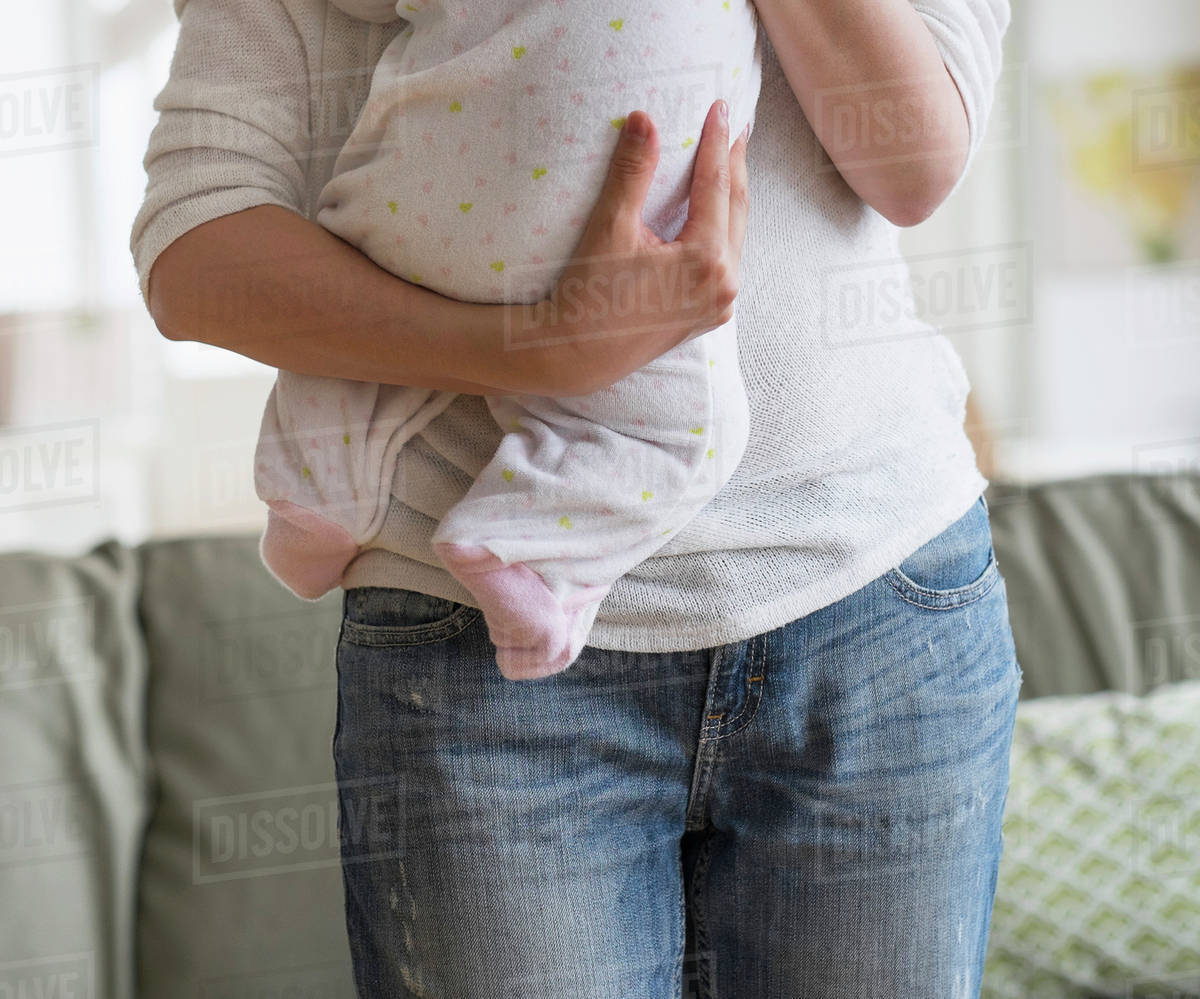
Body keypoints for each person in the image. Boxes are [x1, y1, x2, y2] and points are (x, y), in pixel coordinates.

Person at [131, 0, 1020, 995]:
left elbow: (912, 166)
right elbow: (194, 250)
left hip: (878, 610)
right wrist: (538, 351)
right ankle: (337, 459)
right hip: (477, 654)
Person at [252, 1, 763, 679]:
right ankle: (524, 551)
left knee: (365, 313)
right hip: (597, 229)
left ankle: (312, 488)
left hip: (417, 188)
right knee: (686, 428)